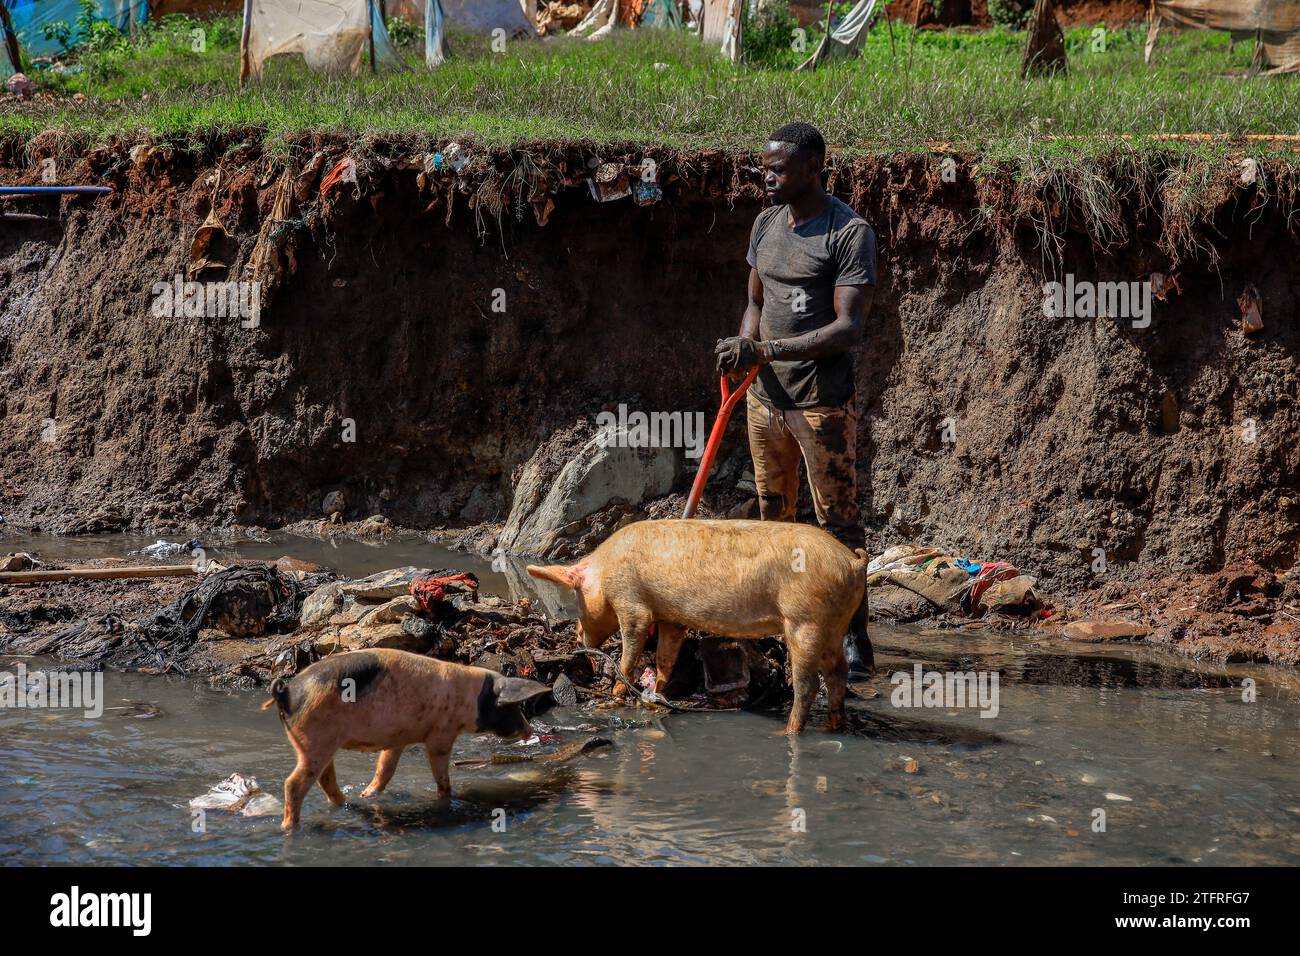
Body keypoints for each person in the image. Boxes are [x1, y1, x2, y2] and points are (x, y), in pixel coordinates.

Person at [713, 121, 877, 678]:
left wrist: (768, 348)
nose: (766, 176)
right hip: (765, 400)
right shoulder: (765, 225)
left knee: (837, 525)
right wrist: (744, 344)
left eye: (779, 168)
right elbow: (755, 304)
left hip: (820, 403)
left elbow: (847, 328)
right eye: (764, 166)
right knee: (773, 520)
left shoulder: (849, 233)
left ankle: (854, 638)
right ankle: (779, 633)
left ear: (813, 168)